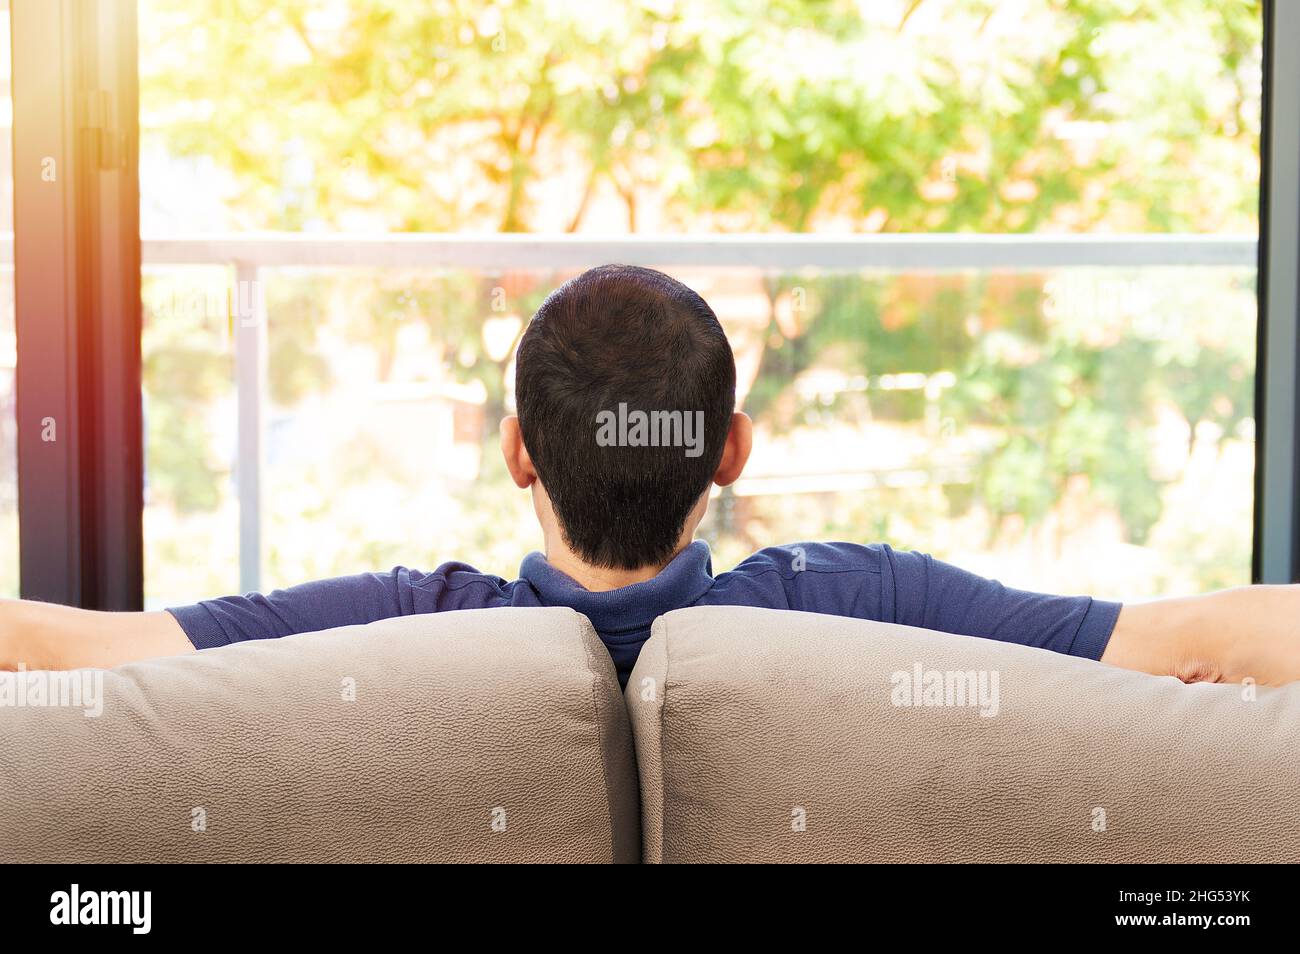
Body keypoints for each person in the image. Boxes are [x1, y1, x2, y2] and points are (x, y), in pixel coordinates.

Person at [3, 265, 1297, 686]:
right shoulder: (857, 603)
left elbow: (91, 651)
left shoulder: (411, 633)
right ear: (734, 452)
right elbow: (1191, 639)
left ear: (519, 454)